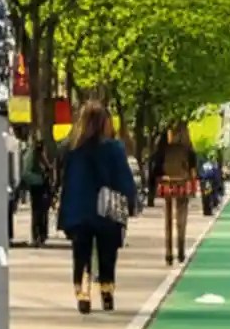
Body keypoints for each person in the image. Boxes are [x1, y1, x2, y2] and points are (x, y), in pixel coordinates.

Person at [57, 100, 137, 314]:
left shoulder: (71, 148)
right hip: (107, 207)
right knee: (107, 251)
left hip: (79, 207)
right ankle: (106, 289)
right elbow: (123, 178)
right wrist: (130, 202)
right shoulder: (114, 148)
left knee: (80, 252)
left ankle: (83, 292)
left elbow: (64, 180)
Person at [150, 123, 198, 265]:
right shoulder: (188, 151)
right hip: (182, 183)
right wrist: (193, 187)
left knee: (168, 218)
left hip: (167, 184)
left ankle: (169, 252)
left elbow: (156, 169)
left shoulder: (164, 150)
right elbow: (193, 172)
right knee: (181, 216)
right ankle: (181, 250)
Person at [19, 138, 52, 246]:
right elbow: (26, 173)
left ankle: (42, 235)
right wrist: (40, 179)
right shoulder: (31, 155)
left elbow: (47, 166)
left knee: (43, 212)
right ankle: (37, 236)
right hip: (37, 186)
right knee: (37, 212)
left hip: (43, 185)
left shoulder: (41, 153)